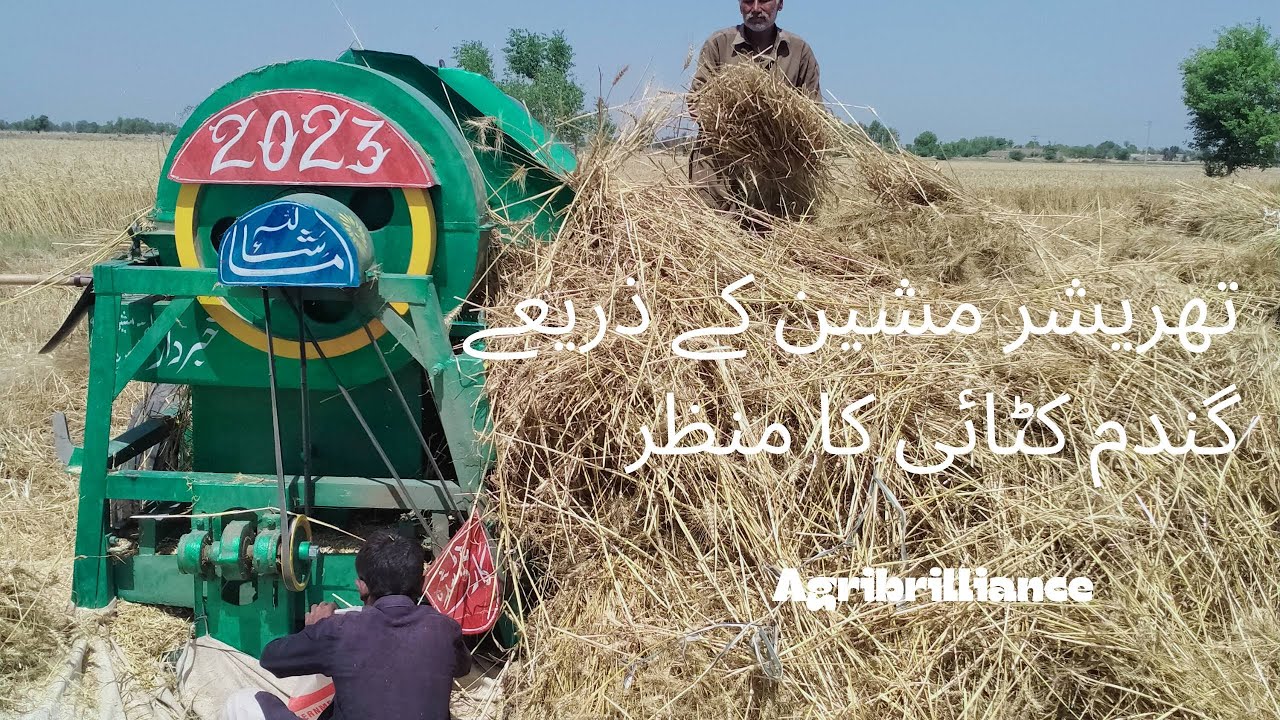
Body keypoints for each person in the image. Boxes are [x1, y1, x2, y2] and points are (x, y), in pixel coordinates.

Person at [223, 530, 472, 720]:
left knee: (242, 701)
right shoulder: (444, 628)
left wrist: (314, 630)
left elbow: (271, 659)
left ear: (361, 586)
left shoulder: (339, 630)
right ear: (423, 580)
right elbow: (461, 667)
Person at [689, 0, 823, 214]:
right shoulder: (718, 44)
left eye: (765, 1)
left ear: (780, 4)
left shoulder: (799, 52)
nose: (756, 8)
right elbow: (696, 103)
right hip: (720, 174)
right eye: (748, 1)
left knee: (771, 238)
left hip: (775, 178)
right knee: (715, 236)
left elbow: (815, 115)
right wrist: (738, 128)